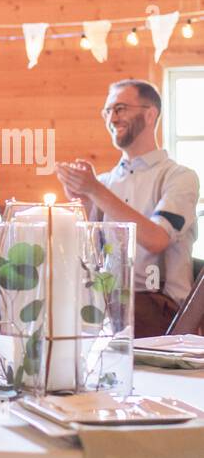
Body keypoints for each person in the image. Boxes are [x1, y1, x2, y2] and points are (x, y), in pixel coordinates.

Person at [58, 79, 200, 336]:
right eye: (107, 111)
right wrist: (83, 200)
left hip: (162, 312)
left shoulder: (180, 177)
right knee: (57, 312)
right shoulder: (103, 182)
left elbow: (157, 239)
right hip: (110, 305)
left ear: (150, 114)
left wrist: (94, 191)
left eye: (120, 108)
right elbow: (87, 257)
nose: (112, 118)